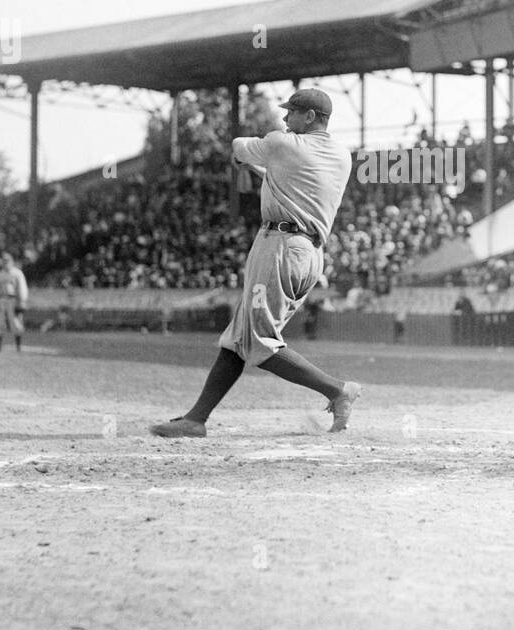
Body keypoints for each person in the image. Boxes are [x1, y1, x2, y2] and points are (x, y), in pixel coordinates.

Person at [150, 89, 360, 438]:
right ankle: (196, 418)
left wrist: (245, 160)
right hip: (309, 254)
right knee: (239, 337)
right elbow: (292, 181)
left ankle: (338, 390)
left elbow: (238, 144)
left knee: (260, 342)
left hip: (278, 247)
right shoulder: (340, 154)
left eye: (291, 112)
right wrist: (262, 170)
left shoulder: (283, 143)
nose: (284, 118)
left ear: (309, 117)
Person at [0, 252, 27, 353]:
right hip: (1, 300)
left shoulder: (17, 273)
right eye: (4, 261)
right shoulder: (0, 274)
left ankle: (18, 346)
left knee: (16, 323)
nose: (5, 263)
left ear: (12, 261)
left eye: (7, 261)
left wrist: (22, 301)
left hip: (13, 300)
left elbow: (22, 288)